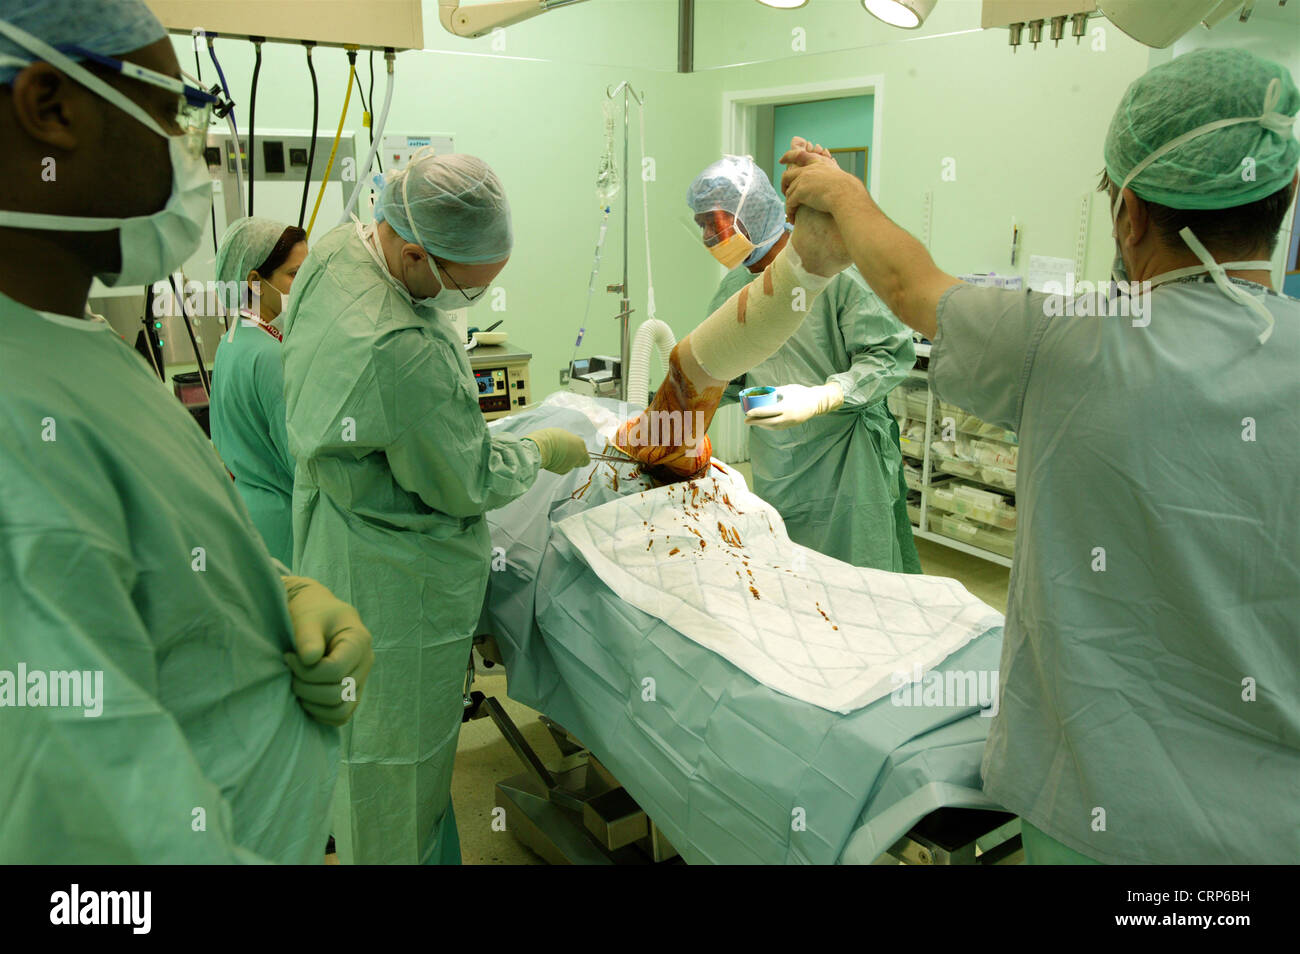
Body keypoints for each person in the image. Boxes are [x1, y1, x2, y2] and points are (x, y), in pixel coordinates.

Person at [781, 48, 1300, 864]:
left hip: (1098, 811)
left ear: (1126, 215)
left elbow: (914, 288)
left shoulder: (1065, 340)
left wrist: (842, 192)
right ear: (1291, 194)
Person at [0, 0, 372, 863]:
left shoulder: (81, 341)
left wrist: (275, 590)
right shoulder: (19, 428)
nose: (189, 147)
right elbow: (99, 849)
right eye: (174, 112)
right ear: (51, 106)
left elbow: (152, 554)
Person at [282, 149, 590, 864]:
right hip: (394, 580)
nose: (466, 303)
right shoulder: (404, 349)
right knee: (394, 763)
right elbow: (464, 478)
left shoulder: (334, 256)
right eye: (467, 288)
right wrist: (538, 451)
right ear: (416, 252)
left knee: (357, 745)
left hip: (335, 532)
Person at [688, 156, 921, 571]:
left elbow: (890, 354)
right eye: (701, 223)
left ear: (752, 214)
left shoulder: (835, 274)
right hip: (777, 458)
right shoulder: (735, 286)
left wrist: (824, 397)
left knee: (855, 577)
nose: (708, 235)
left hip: (846, 458)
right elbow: (720, 371)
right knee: (790, 572)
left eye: (716, 221)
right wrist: (673, 408)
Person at [210, 216, 307, 566]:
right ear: (254, 282)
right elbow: (302, 465)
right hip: (285, 526)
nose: (305, 284)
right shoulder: (270, 355)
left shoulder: (233, 340)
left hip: (249, 517)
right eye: (295, 274)